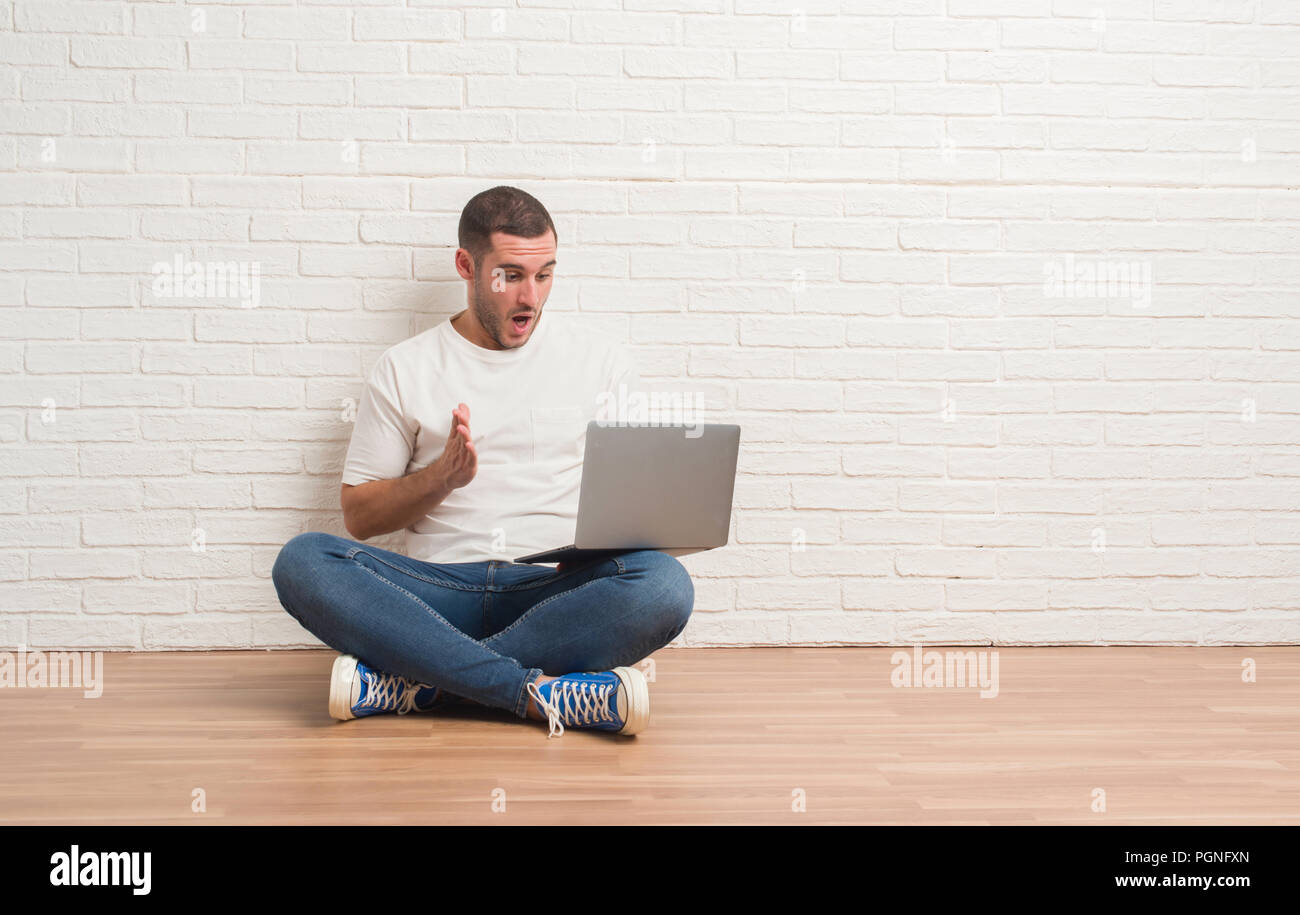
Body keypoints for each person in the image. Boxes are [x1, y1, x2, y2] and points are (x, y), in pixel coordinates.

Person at [270, 186, 695, 739]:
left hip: (550, 594)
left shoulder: (602, 361)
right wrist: (440, 479)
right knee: (303, 560)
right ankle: (539, 694)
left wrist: (601, 550)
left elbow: (628, 500)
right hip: (434, 594)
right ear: (466, 266)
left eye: (545, 274)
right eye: (511, 275)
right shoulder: (405, 367)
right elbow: (360, 518)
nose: (531, 297)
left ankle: (417, 684)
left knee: (664, 585)